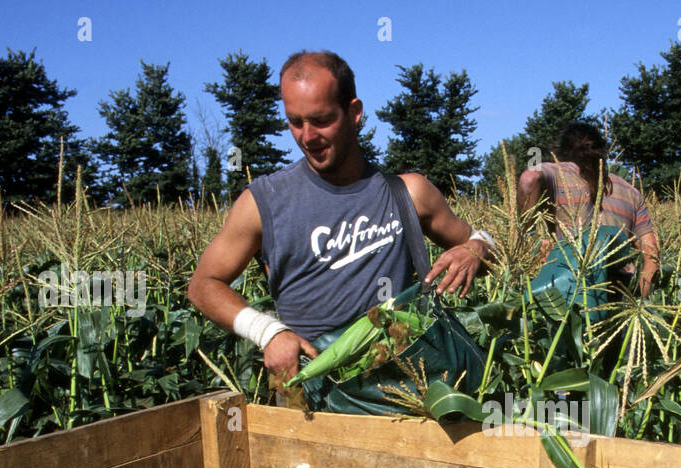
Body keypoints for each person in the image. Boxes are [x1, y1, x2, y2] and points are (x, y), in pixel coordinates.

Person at [188, 49, 493, 386]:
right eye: (295, 121)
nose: (307, 136)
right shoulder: (263, 202)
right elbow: (203, 285)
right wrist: (268, 332)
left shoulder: (409, 192)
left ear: (354, 112)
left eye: (321, 120)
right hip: (319, 396)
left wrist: (477, 248)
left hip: (409, 386)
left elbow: (483, 244)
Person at [516, 123, 659, 300]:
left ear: (561, 151)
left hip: (568, 295)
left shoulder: (556, 172)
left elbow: (529, 178)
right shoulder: (630, 191)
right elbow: (651, 253)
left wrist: (532, 238)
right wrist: (639, 302)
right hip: (618, 298)